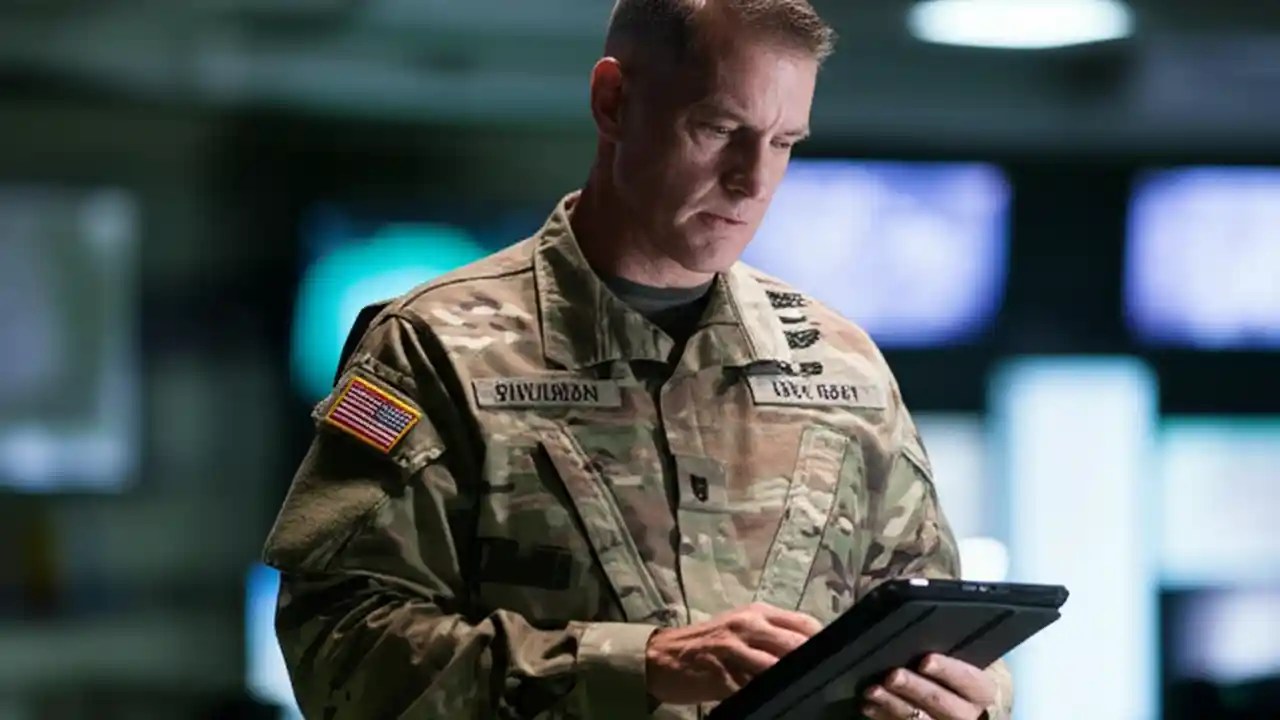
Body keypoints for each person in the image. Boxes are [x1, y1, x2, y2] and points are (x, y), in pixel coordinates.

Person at [261, 1, 1014, 718]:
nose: (753, 181)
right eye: (719, 128)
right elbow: (339, 653)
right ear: (613, 102)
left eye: (784, 143)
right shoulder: (436, 347)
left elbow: (939, 635)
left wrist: (963, 701)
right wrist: (640, 664)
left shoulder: (843, 369)